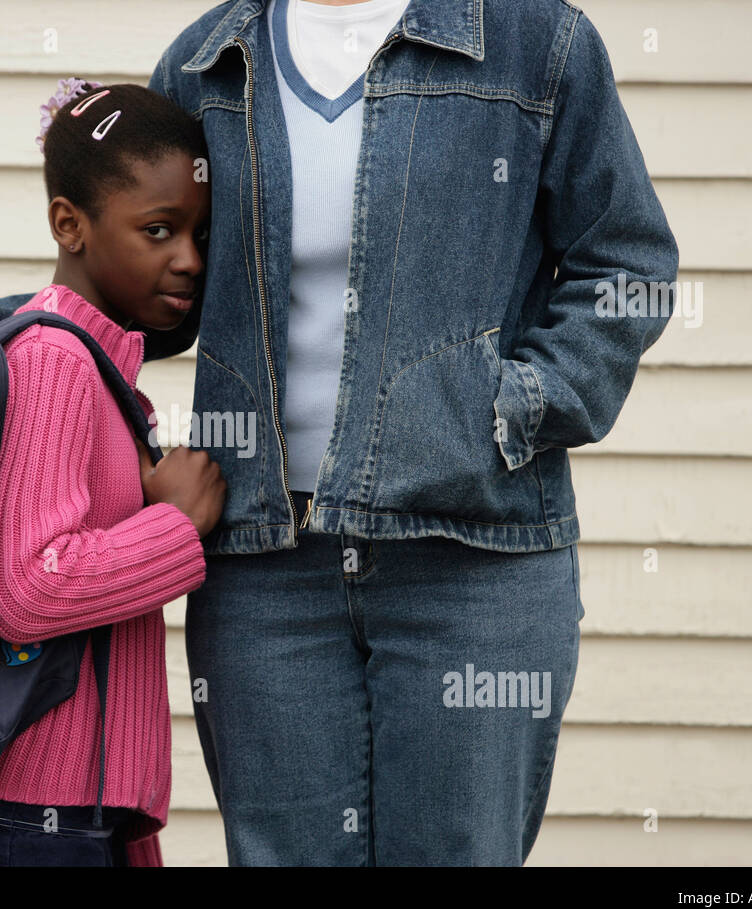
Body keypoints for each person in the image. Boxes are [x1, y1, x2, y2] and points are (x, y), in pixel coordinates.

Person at [148, 0, 680, 864]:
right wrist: (35, 339)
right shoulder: (207, 63)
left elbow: (628, 264)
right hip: (262, 571)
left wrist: (511, 405)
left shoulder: (536, 44)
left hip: (474, 557)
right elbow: (149, 278)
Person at [0, 79, 224, 866]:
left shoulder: (92, 364)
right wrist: (176, 524)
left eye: (202, 234)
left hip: (45, 813)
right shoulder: (54, 362)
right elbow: (29, 589)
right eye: (159, 229)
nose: (189, 260)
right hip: (17, 820)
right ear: (69, 224)